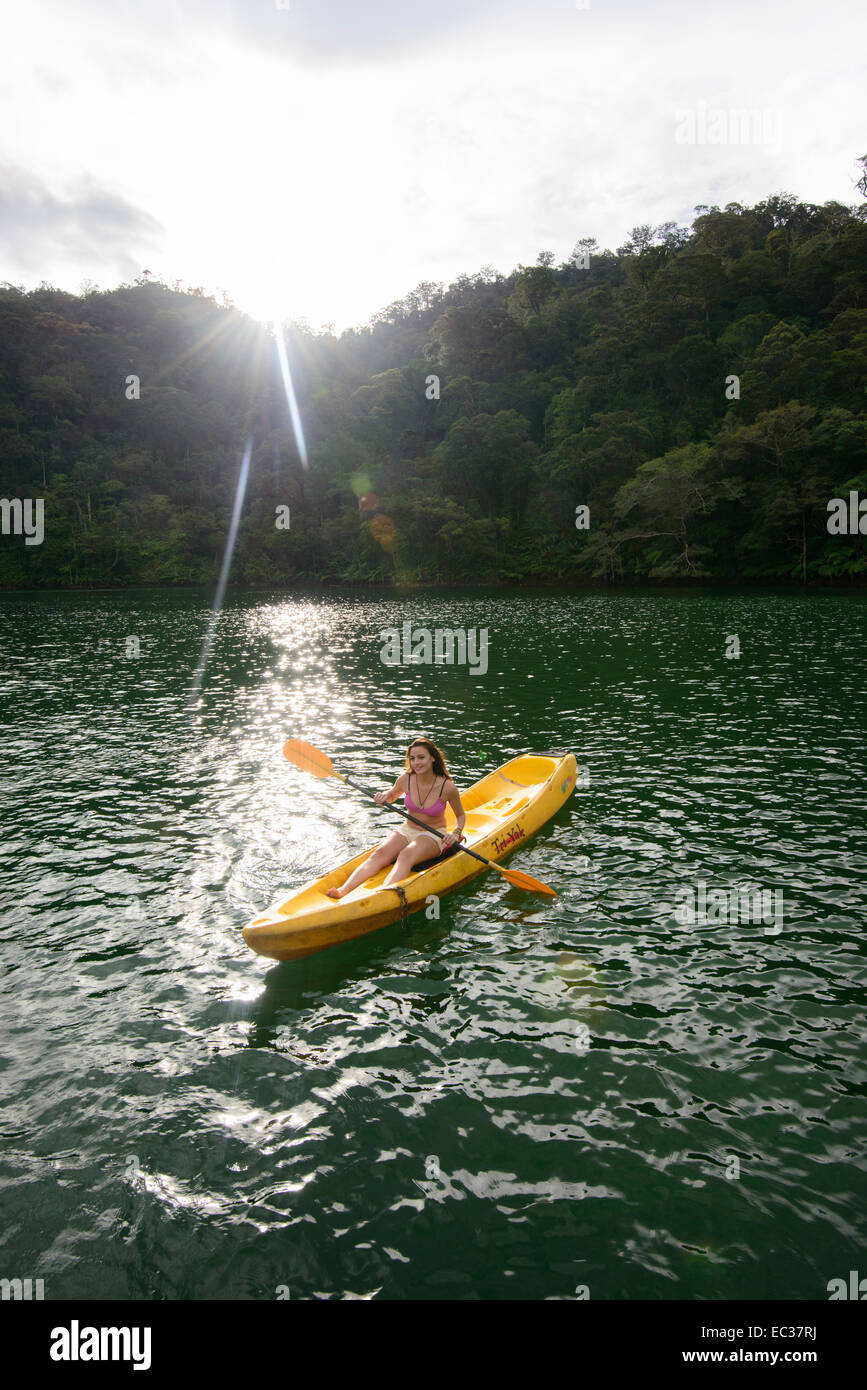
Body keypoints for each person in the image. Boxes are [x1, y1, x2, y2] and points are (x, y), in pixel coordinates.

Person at [325, 738, 466, 899]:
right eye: (412, 759)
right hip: (407, 829)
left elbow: (460, 815)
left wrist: (455, 833)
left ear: (433, 758)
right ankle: (343, 890)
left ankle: (382, 896)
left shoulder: (447, 787)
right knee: (379, 854)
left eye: (421, 757)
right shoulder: (406, 778)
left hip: (433, 834)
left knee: (405, 855)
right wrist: (383, 796)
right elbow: (391, 795)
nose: (416, 763)